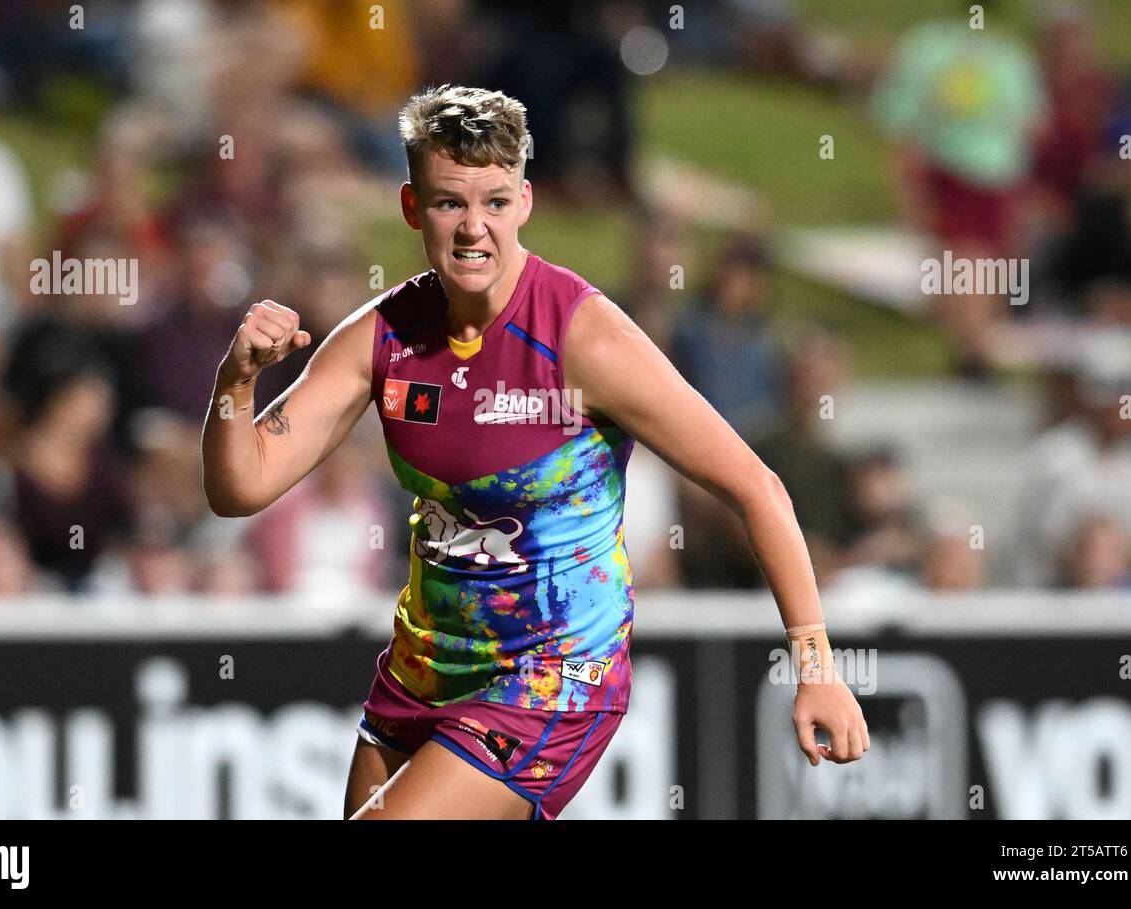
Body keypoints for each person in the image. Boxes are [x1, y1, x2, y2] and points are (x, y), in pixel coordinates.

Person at [201, 84, 868, 820]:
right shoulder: (385, 334)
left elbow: (757, 486)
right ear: (412, 208)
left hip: (553, 675)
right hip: (424, 666)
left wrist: (817, 670)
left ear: (524, 202)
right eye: (450, 202)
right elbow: (242, 486)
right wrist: (236, 382)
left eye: (492, 202)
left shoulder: (585, 338)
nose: (472, 229)